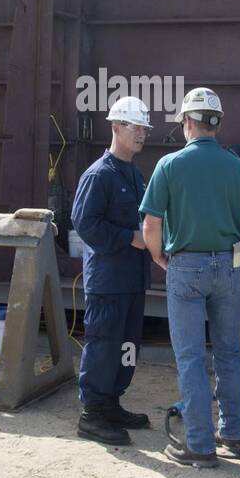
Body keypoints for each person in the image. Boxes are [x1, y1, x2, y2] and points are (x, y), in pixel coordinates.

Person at [140, 88, 240, 467]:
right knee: (229, 352)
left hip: (185, 266)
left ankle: (199, 445)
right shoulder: (237, 168)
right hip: (228, 267)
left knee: (192, 357)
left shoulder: (169, 165)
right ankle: (231, 435)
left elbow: (151, 225)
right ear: (217, 123)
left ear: (188, 122)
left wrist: (160, 257)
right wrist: (235, 246)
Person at [70, 96, 154, 445]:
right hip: (109, 281)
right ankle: (92, 413)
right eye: (136, 127)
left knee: (127, 345)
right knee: (104, 344)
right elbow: (84, 223)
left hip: (132, 279)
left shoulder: (133, 174)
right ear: (116, 127)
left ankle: (112, 402)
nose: (142, 134)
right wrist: (129, 238)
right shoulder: (100, 175)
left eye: (144, 129)